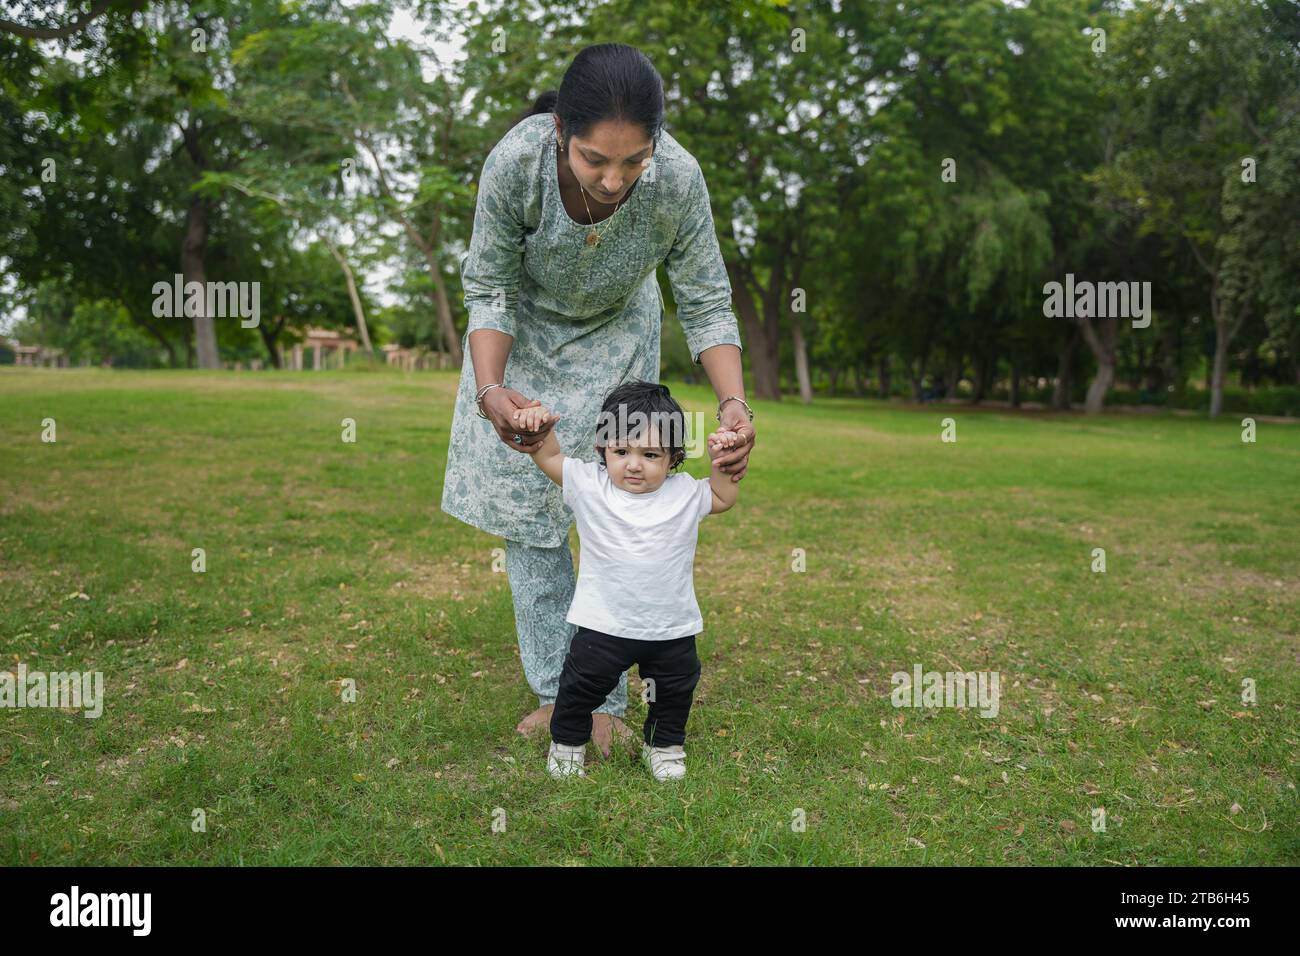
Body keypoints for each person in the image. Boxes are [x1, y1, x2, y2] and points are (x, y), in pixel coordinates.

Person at [440, 42, 756, 757]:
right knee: (532, 522)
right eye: (594, 160)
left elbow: (706, 298)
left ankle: (609, 697)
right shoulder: (516, 163)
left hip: (620, 334)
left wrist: (734, 404)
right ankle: (564, 696)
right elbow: (488, 286)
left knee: (621, 508)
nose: (615, 180)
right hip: (519, 343)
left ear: (656, 145)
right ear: (560, 132)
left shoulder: (676, 179)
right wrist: (492, 389)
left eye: (633, 161)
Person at [511, 381, 740, 780]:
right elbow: (548, 456)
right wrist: (539, 427)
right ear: (603, 450)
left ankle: (665, 749)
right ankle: (566, 746)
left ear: (673, 458)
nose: (634, 465)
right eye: (621, 452)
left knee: (674, 692)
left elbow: (721, 498)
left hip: (670, 628)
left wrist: (724, 463)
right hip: (604, 625)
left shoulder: (685, 493)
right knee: (579, 689)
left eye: (650, 454)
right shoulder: (590, 485)